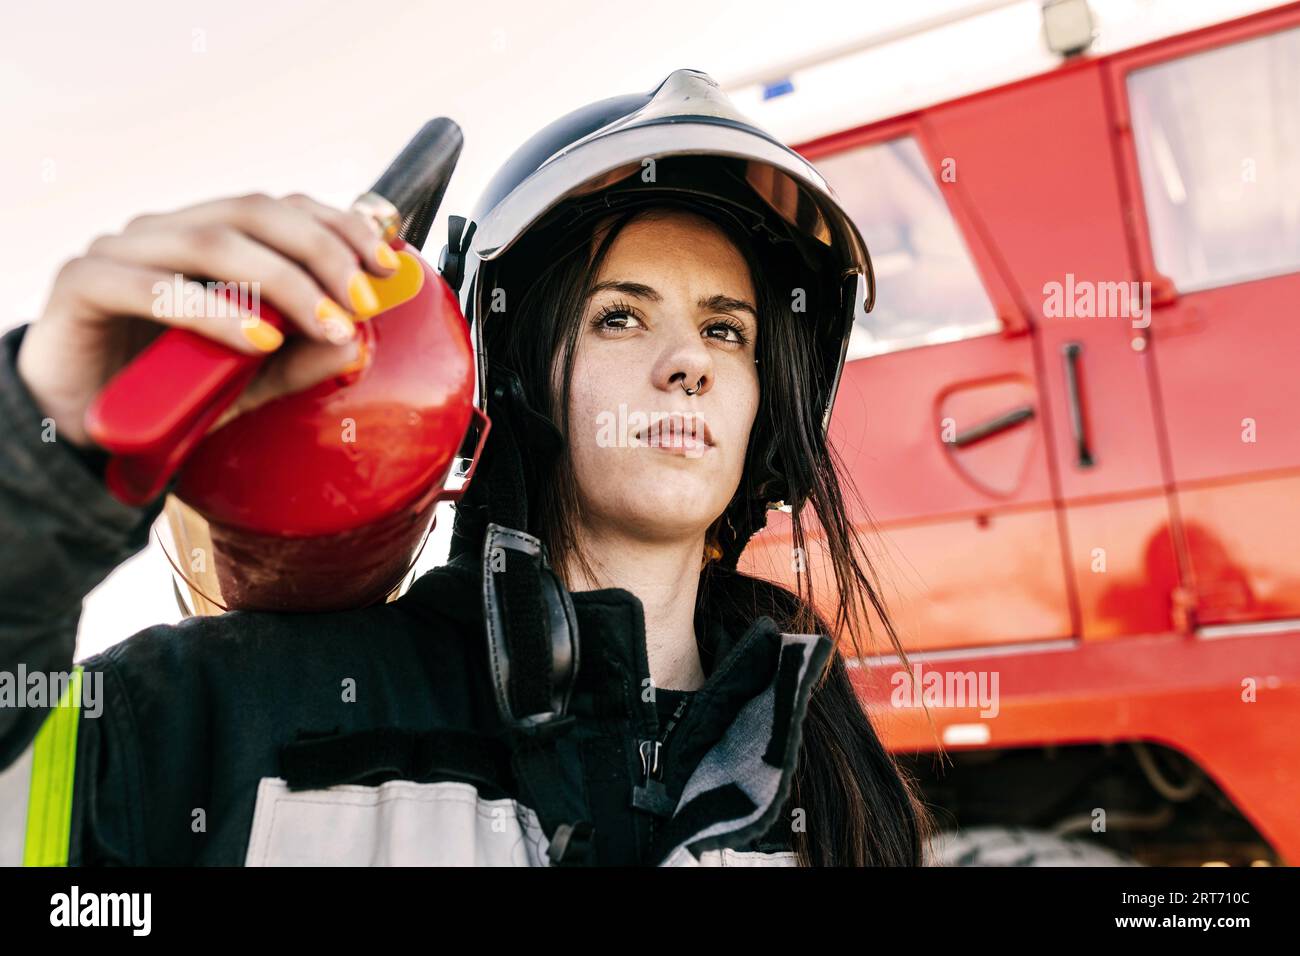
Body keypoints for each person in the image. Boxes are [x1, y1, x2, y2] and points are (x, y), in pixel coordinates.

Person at [0, 69, 930, 866]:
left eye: (726, 330)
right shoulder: (217, 716)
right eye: (620, 314)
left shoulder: (835, 779)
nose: (689, 362)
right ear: (511, 372)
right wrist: (33, 470)